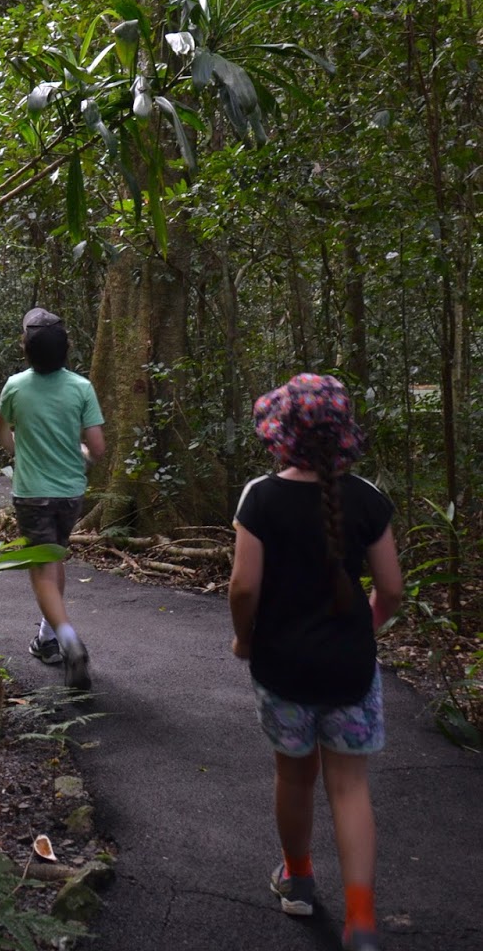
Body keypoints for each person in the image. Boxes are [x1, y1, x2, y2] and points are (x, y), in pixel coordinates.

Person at [228, 373, 403, 951]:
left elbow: (243, 589)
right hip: (349, 670)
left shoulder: (260, 497)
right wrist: (364, 628)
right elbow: (392, 590)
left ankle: (298, 878)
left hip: (282, 666)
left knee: (293, 776)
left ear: (282, 433)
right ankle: (360, 921)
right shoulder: (367, 499)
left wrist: (244, 640)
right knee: (350, 788)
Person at [0, 307, 106, 690]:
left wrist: (17, 453)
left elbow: (1, 431)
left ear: (26, 350)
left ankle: (70, 642)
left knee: (41, 569)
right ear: (65, 349)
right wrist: (82, 455)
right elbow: (98, 448)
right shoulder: (81, 387)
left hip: (31, 493)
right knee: (54, 556)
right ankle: (47, 638)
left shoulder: (15, 386)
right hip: (70, 493)